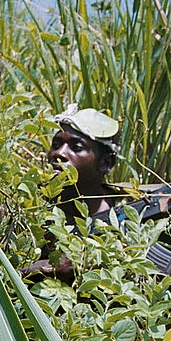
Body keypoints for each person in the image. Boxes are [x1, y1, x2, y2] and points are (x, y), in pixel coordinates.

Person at [21, 105, 120, 277]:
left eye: (76, 147)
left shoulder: (127, 215)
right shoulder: (28, 207)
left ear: (106, 163)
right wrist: (47, 268)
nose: (59, 153)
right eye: (56, 144)